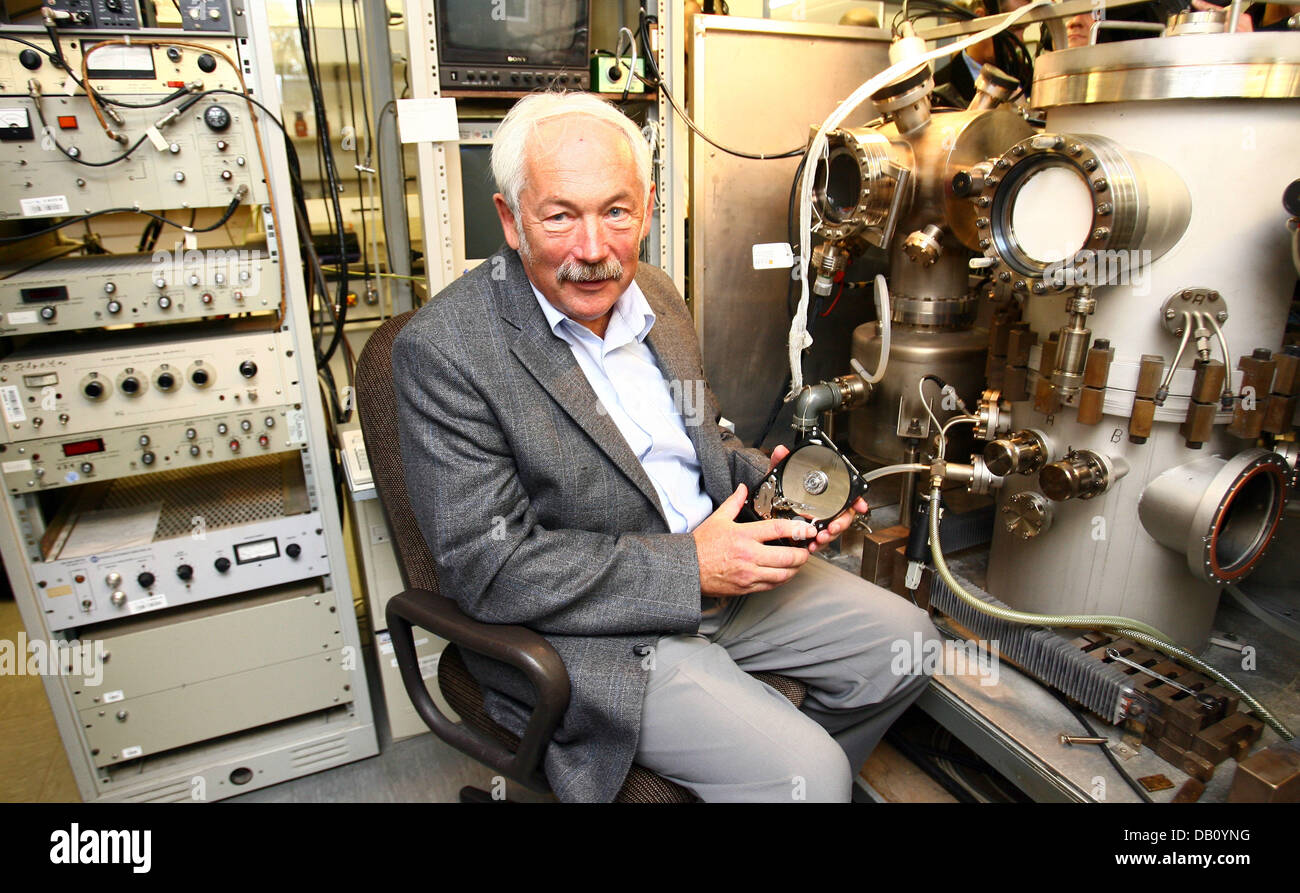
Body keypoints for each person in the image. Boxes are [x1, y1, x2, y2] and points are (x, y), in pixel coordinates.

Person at [392, 92, 941, 803]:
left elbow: (706, 438)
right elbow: (490, 569)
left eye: (616, 212)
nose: (594, 250)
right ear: (510, 219)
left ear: (647, 207)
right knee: (808, 776)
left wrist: (780, 491)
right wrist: (692, 567)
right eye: (559, 215)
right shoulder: (446, 352)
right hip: (591, 634)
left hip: (722, 571)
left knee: (908, 646)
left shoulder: (655, 293)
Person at [932, 0, 1034, 107]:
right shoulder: (938, 89)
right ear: (980, 19)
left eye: (1023, 29)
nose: (1020, 40)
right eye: (1013, 29)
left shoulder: (1026, 76)